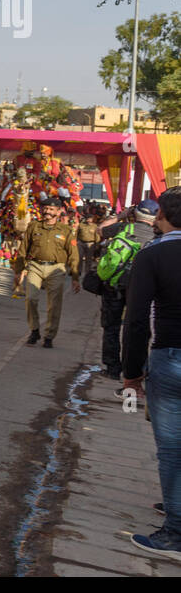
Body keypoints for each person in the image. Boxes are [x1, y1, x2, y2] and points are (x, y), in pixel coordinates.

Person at [124, 187, 181, 559]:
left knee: (173, 448)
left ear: (162, 215)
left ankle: (175, 533)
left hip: (172, 359)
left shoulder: (154, 253)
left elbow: (137, 319)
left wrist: (131, 372)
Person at [94, 200, 156, 380]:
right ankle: (136, 370)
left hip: (115, 285)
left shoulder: (123, 228)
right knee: (138, 330)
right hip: (141, 290)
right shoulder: (157, 235)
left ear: (135, 213)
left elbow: (100, 230)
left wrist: (120, 216)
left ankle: (112, 369)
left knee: (111, 327)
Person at [13, 196, 80, 348]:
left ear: (58, 211)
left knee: (54, 305)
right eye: (45, 209)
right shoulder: (34, 226)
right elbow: (23, 249)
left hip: (56, 269)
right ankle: (34, 329)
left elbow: (73, 255)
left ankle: (49, 336)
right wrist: (18, 271)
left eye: (51, 209)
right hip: (35, 266)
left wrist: (75, 277)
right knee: (31, 299)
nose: (47, 212)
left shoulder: (66, 230)